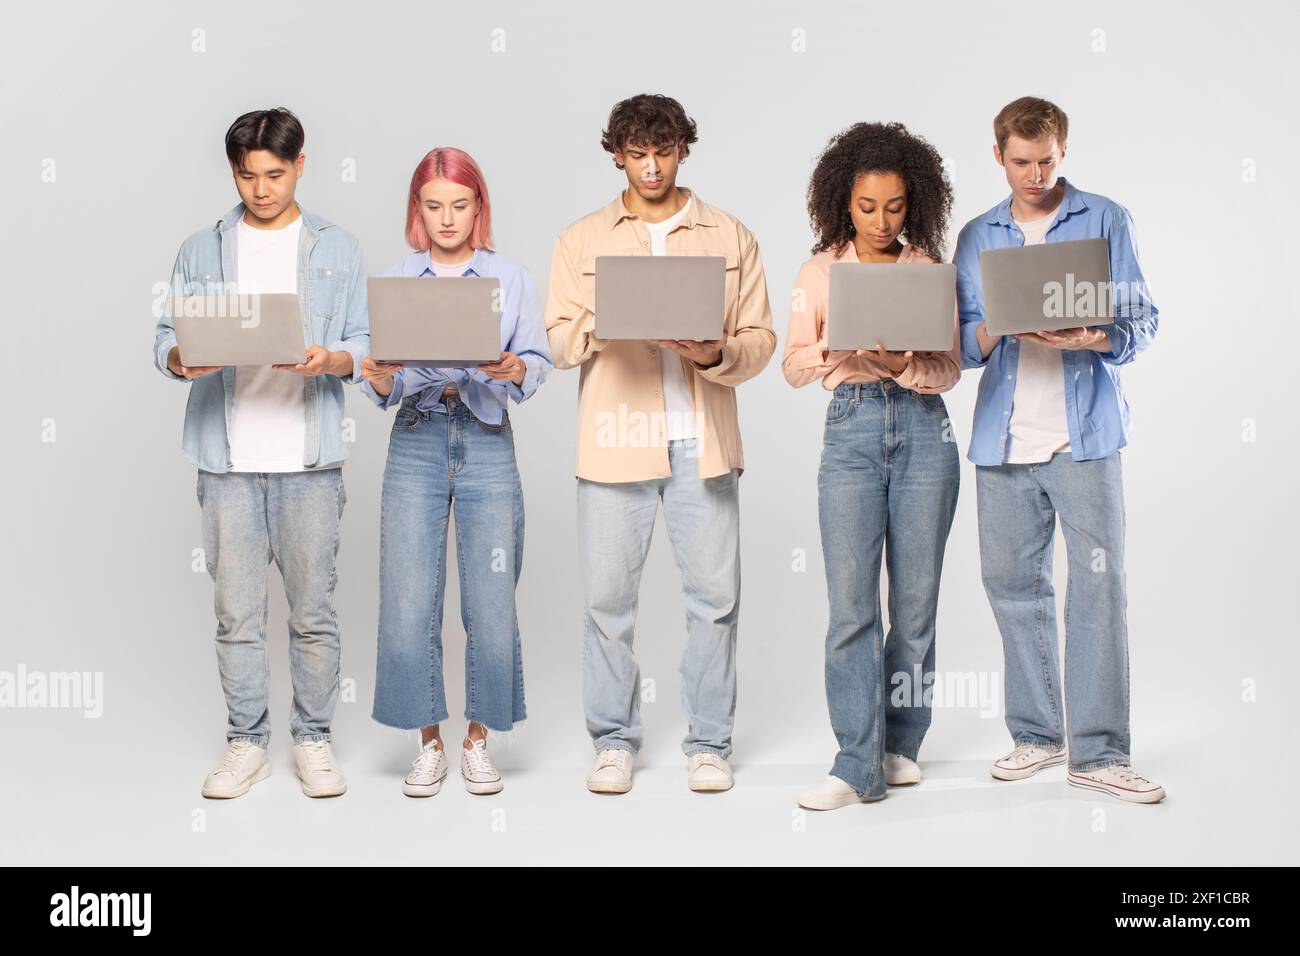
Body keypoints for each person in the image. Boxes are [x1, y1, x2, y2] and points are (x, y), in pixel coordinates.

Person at [545, 93, 776, 794]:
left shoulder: (729, 236)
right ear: (617, 153)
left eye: (664, 152)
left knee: (715, 600)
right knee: (607, 603)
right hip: (616, 440)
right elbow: (557, 342)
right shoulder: (580, 239)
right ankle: (613, 742)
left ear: (683, 150)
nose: (652, 167)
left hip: (701, 441)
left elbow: (762, 341)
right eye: (638, 154)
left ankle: (709, 743)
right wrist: (609, 318)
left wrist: (713, 351)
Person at [152, 107, 370, 799]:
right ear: (234, 173)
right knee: (237, 615)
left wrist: (331, 358)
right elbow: (166, 335)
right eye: (248, 176)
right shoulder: (202, 248)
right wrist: (180, 357)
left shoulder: (338, 248)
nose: (262, 189)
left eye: (275, 174)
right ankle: (246, 743)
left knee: (313, 612)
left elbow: (364, 344)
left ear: (301, 164)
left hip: (308, 459)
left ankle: (313, 741)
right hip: (228, 461)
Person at [955, 96, 1164, 803]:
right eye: (1021, 162)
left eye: (1046, 160)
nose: (1035, 174)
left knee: (1099, 588)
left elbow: (1140, 320)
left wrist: (1092, 337)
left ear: (1063, 151)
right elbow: (960, 343)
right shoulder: (979, 233)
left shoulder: (1105, 217)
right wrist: (999, 326)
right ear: (998, 157)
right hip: (1004, 441)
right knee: (1014, 589)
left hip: (1086, 438)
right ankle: (1038, 736)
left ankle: (1100, 752)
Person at [358, 148, 552, 797]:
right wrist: (380, 378)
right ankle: (428, 743)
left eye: (459, 205)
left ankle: (477, 740)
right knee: (410, 600)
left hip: (486, 438)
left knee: (490, 601)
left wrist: (514, 369)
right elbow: (379, 378)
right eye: (434, 205)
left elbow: (537, 359)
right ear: (419, 209)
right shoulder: (395, 281)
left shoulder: (509, 277)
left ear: (479, 208)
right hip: (415, 436)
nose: (447, 218)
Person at [783, 122, 962, 810]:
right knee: (851, 607)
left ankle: (900, 745)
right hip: (852, 427)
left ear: (912, 203)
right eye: (866, 207)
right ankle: (855, 761)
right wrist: (840, 346)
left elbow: (948, 368)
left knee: (915, 605)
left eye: (894, 207)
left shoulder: (927, 272)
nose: (882, 221)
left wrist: (908, 365)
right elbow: (794, 364)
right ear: (843, 204)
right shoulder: (819, 272)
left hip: (924, 432)